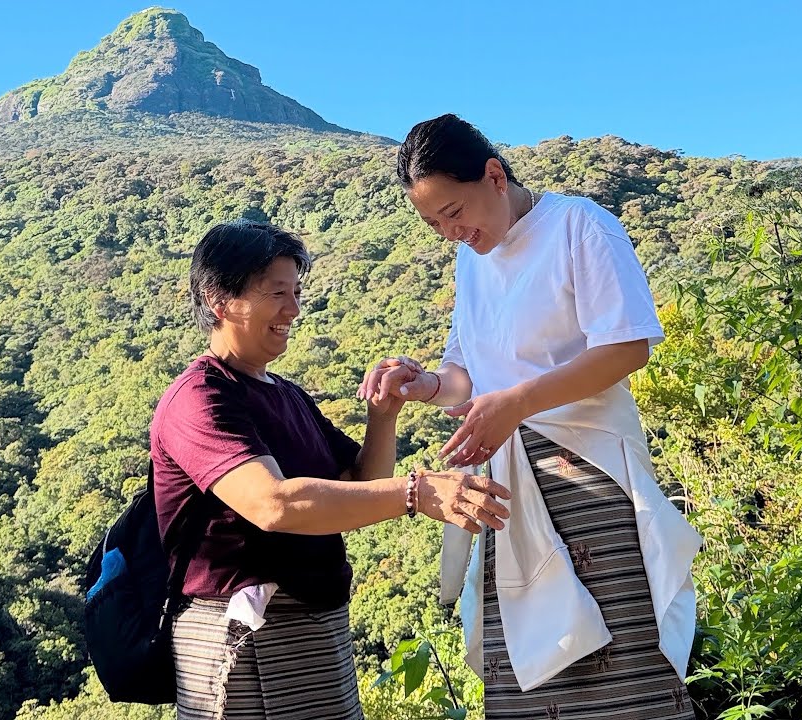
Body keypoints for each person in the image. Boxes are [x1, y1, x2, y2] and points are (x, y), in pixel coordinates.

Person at [360, 114, 703, 719]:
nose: (450, 233)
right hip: (506, 487)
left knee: (617, 662)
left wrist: (517, 402)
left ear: (495, 175)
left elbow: (628, 347)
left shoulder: (580, 227)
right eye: (434, 223)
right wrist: (426, 385)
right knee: (522, 668)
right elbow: (468, 377)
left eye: (454, 211)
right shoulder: (472, 261)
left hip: (589, 474)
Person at [151, 219, 511, 720]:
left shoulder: (287, 394)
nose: (293, 309)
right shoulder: (199, 399)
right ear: (220, 299)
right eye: (277, 292)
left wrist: (382, 416)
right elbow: (272, 504)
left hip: (314, 628)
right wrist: (417, 492)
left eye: (296, 292)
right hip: (242, 639)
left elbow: (362, 486)